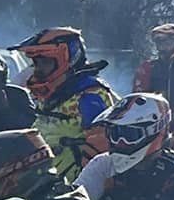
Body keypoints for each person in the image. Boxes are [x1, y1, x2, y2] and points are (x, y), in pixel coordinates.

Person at [16, 28, 116, 175]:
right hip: (41, 180)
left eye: (45, 62)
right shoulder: (52, 94)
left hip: (73, 189)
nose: (38, 70)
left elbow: (101, 152)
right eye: (36, 63)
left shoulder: (89, 96)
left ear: (66, 59)